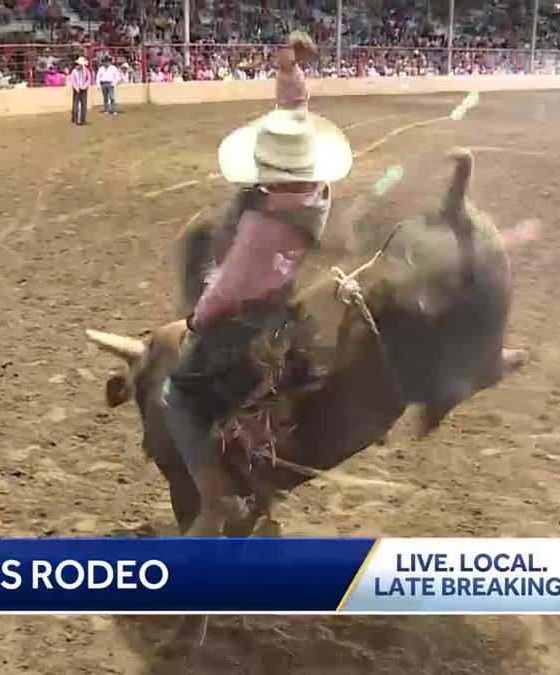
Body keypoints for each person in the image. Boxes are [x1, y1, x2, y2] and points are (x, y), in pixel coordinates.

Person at [159, 39, 352, 536]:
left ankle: (215, 494)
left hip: (245, 320)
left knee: (175, 394)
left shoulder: (260, 231)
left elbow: (225, 293)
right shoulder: (314, 197)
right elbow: (296, 111)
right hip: (282, 310)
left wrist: (196, 319)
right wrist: (289, 68)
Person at [68, 56, 92, 125]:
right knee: (76, 105)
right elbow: (72, 80)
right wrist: (76, 88)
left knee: (84, 105)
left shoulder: (86, 70)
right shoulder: (74, 71)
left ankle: (82, 119)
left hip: (84, 89)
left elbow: (89, 79)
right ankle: (75, 118)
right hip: (77, 89)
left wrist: (85, 86)